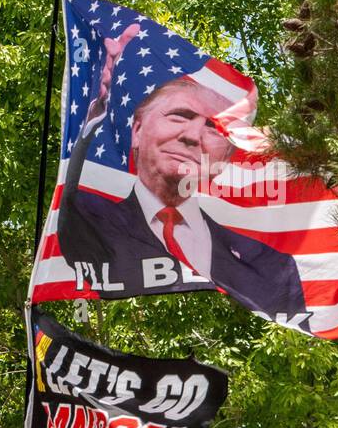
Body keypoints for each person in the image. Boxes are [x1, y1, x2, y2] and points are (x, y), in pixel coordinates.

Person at [57, 29, 310, 328]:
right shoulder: (89, 219)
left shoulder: (271, 266)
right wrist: (96, 110)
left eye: (214, 129)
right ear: (137, 131)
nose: (192, 136)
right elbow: (69, 220)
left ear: (227, 156)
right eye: (179, 115)